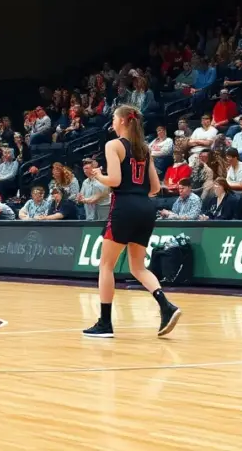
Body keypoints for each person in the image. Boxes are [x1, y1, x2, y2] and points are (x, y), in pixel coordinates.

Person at [83, 105, 180, 339]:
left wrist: (98, 175)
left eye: (114, 118)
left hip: (124, 206)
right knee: (138, 267)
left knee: (106, 266)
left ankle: (105, 323)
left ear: (124, 121)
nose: (112, 122)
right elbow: (156, 188)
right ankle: (166, 306)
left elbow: (115, 180)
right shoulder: (144, 149)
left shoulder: (113, 145)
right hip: (146, 208)